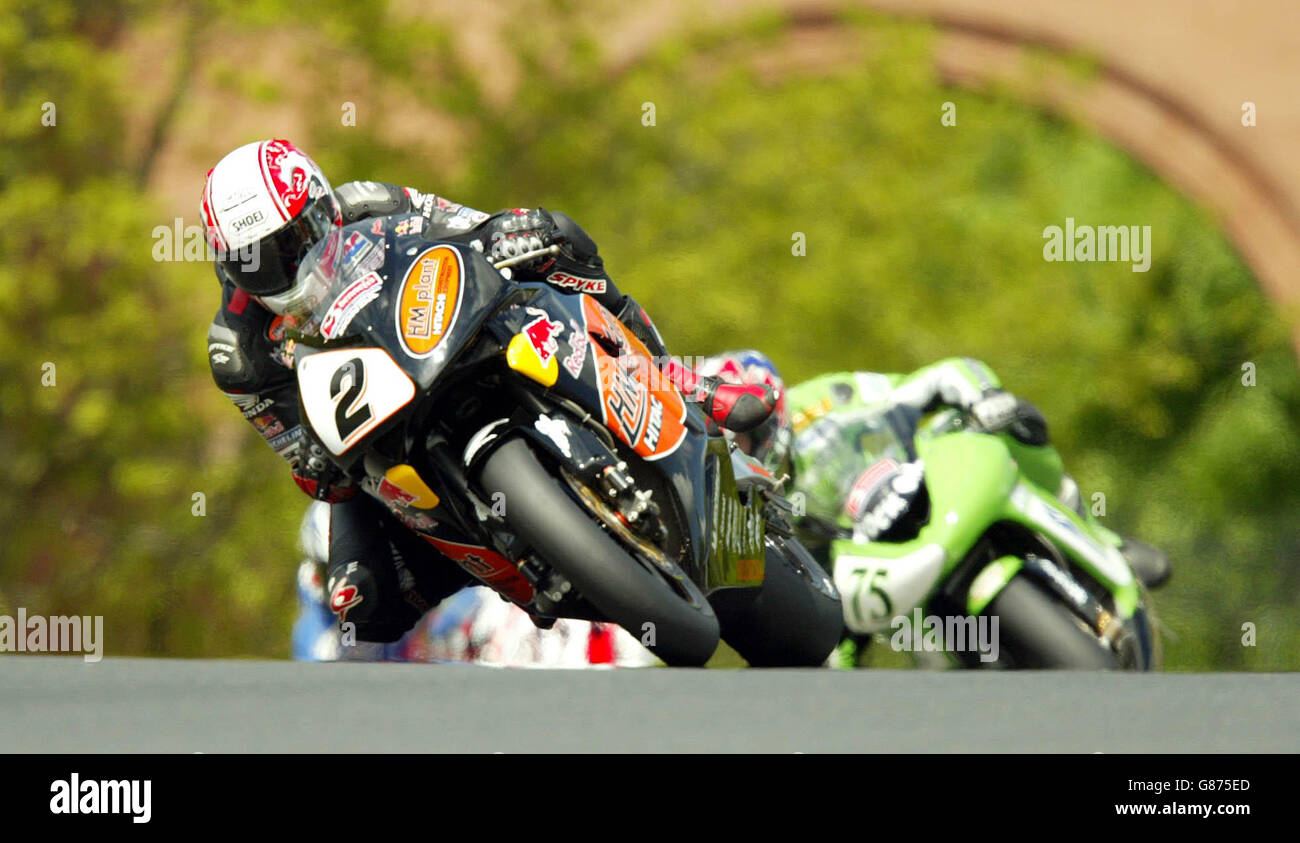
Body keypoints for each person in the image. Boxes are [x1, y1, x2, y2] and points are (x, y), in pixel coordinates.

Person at [202, 138, 778, 648]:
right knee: (362, 606)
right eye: (263, 262)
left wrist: (511, 230)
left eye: (298, 237)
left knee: (560, 239)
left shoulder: (371, 202)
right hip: (376, 435)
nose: (292, 263)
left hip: (445, 334)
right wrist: (310, 464)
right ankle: (515, 561)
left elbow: (465, 225)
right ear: (230, 267)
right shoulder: (239, 353)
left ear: (322, 205)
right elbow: (296, 442)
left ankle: (677, 380)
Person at [696, 351, 1172, 666]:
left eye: (745, 427)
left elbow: (933, 381)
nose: (743, 443)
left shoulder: (825, 398)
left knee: (1017, 426)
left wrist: (984, 397)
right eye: (730, 440)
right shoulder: (747, 502)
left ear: (769, 405)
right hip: (883, 571)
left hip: (934, 483)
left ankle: (1090, 526)